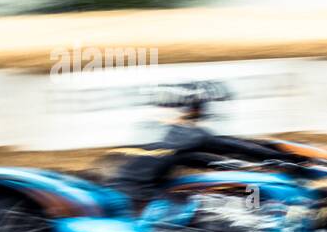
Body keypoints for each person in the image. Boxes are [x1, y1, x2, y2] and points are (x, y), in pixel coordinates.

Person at [105, 82, 290, 207]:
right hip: (141, 197)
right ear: (198, 109)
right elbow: (234, 146)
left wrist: (235, 166)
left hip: (120, 190)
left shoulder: (167, 131)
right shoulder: (190, 133)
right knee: (213, 208)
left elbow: (192, 158)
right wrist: (284, 157)